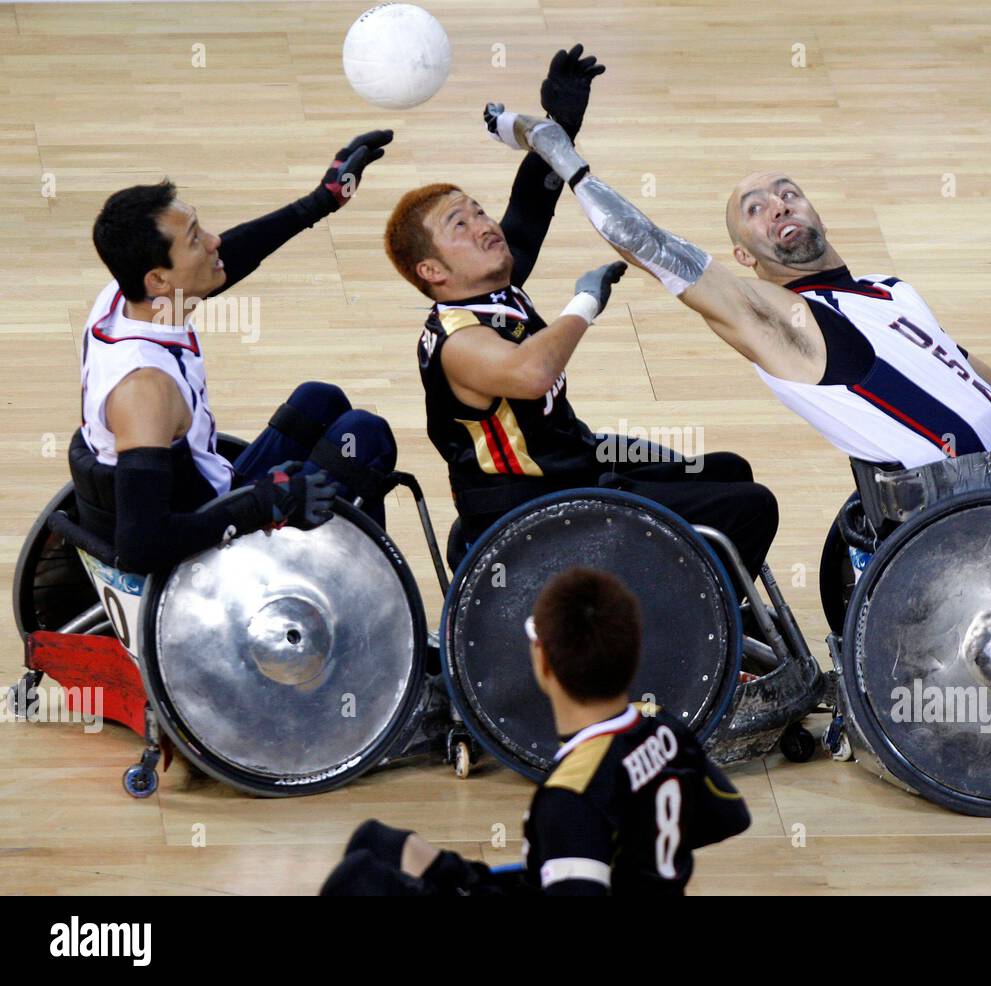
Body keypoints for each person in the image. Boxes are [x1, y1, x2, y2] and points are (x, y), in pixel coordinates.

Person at [480, 106, 991, 539]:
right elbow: (651, 246)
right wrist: (553, 146)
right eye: (757, 210)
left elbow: (988, 386)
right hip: (980, 520)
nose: (780, 208)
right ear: (745, 253)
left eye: (787, 193)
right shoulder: (781, 322)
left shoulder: (888, 291)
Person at [382, 45, 778, 575]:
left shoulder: (488, 289)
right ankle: (705, 637)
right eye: (461, 224)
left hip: (576, 468)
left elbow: (528, 207)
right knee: (751, 507)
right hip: (534, 515)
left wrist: (560, 123)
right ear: (432, 272)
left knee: (731, 472)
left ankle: (713, 610)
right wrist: (585, 302)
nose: (484, 224)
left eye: (478, 210)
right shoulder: (459, 342)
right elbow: (531, 372)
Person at [77, 131, 401, 574]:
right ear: (157, 280)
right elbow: (141, 547)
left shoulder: (125, 298)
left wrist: (319, 203)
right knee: (364, 436)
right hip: (206, 554)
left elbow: (228, 258)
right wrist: (262, 507)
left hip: (210, 492)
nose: (213, 242)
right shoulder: (145, 390)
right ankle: (363, 594)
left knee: (319, 401)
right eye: (195, 240)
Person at [321, 566, 752, 896]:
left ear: (543, 663)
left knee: (358, 880)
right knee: (375, 841)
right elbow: (730, 816)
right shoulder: (663, 728)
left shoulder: (571, 796)